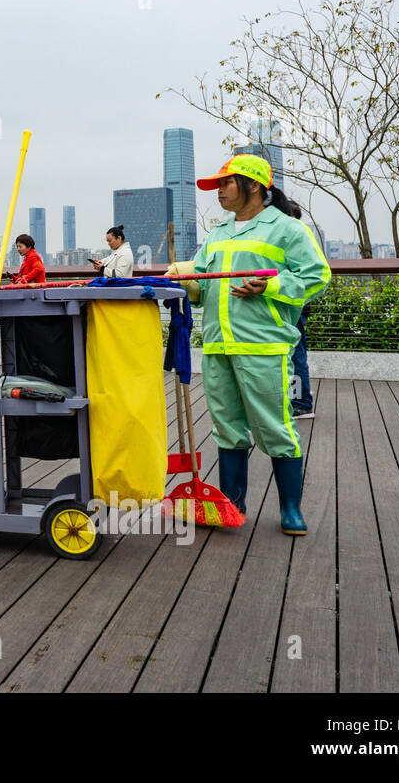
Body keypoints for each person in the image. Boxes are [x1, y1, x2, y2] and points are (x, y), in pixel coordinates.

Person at [175, 154, 329, 535]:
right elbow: (205, 288)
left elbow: (317, 276)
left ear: (255, 186)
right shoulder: (217, 233)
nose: (220, 192)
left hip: (263, 345)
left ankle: (291, 510)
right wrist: (187, 283)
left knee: (275, 427)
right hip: (217, 346)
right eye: (218, 186)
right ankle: (232, 506)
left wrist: (272, 285)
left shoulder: (287, 230)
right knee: (226, 428)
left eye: (226, 184)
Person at [288, 205, 315, 420]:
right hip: (298, 301)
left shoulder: (295, 234)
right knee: (297, 350)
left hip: (294, 301)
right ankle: (300, 397)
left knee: (296, 352)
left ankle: (302, 402)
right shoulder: (301, 233)